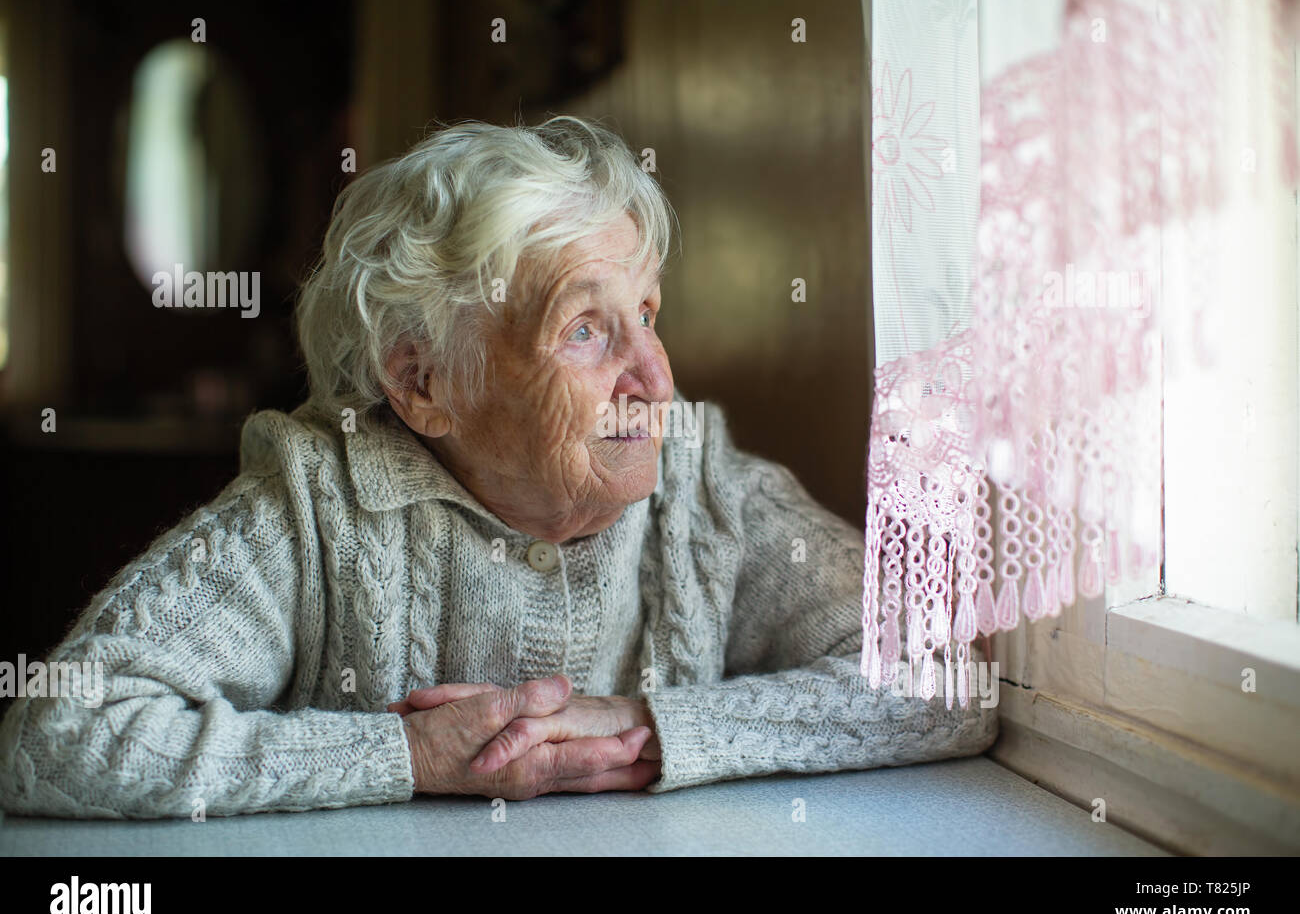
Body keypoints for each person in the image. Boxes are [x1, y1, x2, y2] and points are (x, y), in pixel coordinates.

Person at [0, 116, 997, 818]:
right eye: (584, 331)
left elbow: (946, 673)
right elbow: (61, 733)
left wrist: (643, 728)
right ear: (423, 383)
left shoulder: (704, 490)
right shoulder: (315, 508)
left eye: (646, 315)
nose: (656, 376)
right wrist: (407, 755)